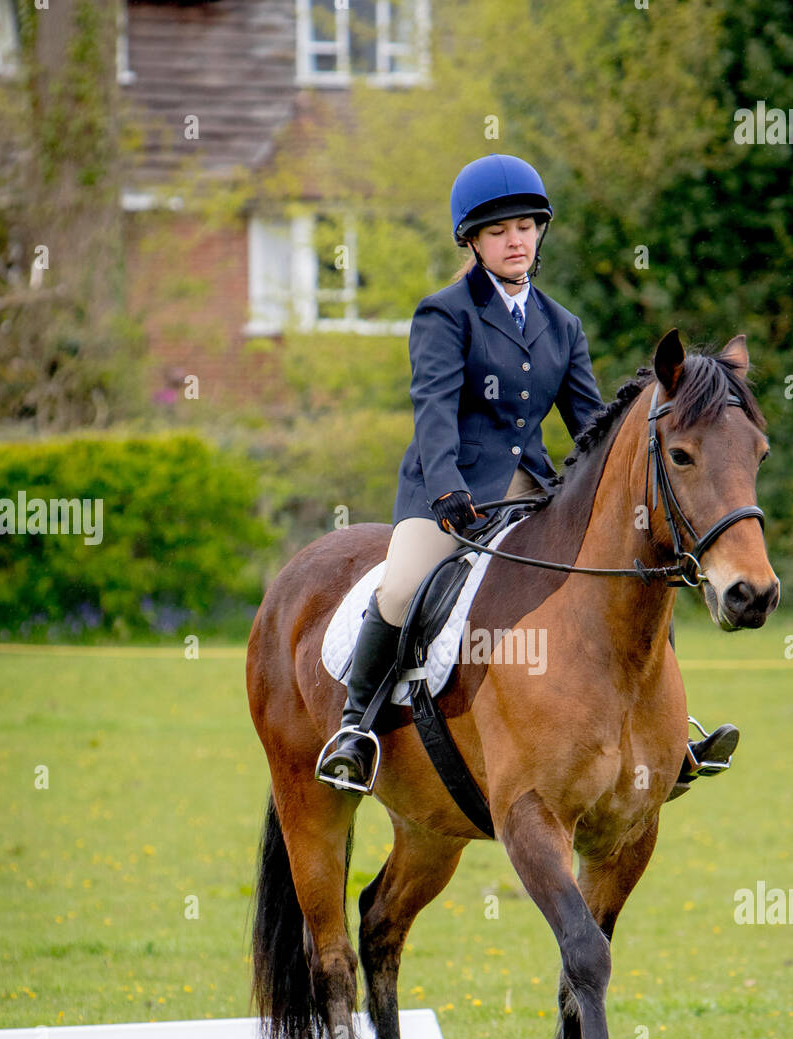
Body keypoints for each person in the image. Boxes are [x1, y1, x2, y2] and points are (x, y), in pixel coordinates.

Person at [315, 153, 738, 796]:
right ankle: (356, 730)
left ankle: (671, 730)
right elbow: (432, 410)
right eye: (498, 231)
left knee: (634, 569)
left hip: (532, 493)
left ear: (540, 232)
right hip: (448, 491)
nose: (515, 240)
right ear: (474, 242)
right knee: (401, 589)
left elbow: (591, 425)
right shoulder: (445, 314)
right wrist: (447, 489)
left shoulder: (562, 326)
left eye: (525, 227)